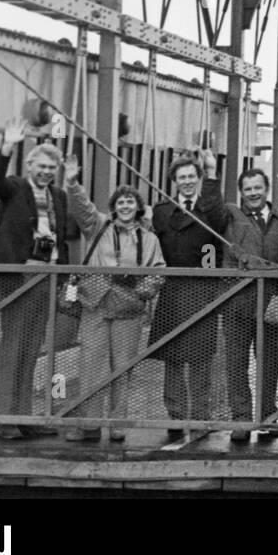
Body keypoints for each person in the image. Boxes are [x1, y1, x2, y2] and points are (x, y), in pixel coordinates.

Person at [0, 119, 77, 441]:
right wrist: (6, 146)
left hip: (46, 278)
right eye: (41, 166)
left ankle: (23, 417)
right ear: (29, 165)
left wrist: (63, 275)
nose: (46, 171)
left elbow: (62, 237)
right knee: (13, 348)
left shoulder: (58, 196)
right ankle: (5, 420)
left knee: (32, 349)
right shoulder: (17, 188)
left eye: (52, 167)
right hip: (19, 277)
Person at [61, 161, 166, 442]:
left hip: (128, 311)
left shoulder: (149, 238)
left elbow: (158, 271)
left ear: (138, 206)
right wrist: (72, 182)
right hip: (95, 304)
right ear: (113, 206)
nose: (125, 205)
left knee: (123, 368)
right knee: (91, 366)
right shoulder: (98, 226)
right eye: (120, 201)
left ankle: (118, 424)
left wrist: (140, 293)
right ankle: (89, 424)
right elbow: (82, 207)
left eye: (130, 201)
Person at [149, 149, 229, 443]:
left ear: (198, 179)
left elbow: (218, 219)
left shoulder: (210, 210)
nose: (186, 182)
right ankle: (175, 415)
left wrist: (211, 173)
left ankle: (199, 416)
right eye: (181, 177)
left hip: (203, 291)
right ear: (173, 181)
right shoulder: (161, 211)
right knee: (172, 357)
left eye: (191, 177)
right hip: (172, 290)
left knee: (201, 358)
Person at [222, 167, 278, 444]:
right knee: (235, 363)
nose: (253, 193)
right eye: (248, 189)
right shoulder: (231, 217)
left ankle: (267, 416)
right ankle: (240, 419)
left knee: (270, 362)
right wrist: (211, 173)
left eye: (258, 188)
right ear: (241, 192)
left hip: (271, 304)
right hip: (237, 303)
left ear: (266, 190)